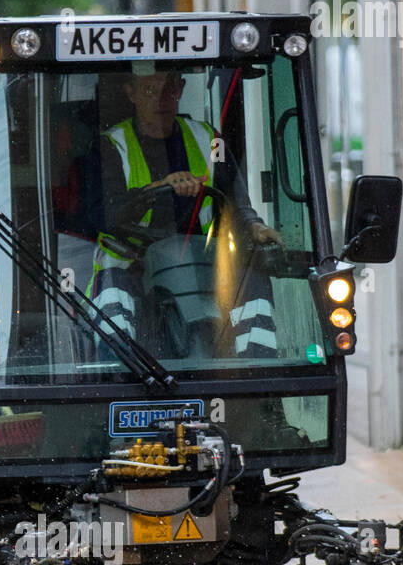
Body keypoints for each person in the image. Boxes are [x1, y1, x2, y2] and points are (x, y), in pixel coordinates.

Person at [87, 64, 280, 361]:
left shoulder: (210, 139)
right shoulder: (111, 145)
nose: (161, 99)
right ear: (131, 93)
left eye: (169, 90)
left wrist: (255, 225)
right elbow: (104, 214)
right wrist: (156, 188)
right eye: (150, 90)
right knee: (113, 292)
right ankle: (113, 380)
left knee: (251, 280)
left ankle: (260, 379)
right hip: (131, 267)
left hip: (204, 264)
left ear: (181, 90)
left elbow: (235, 199)